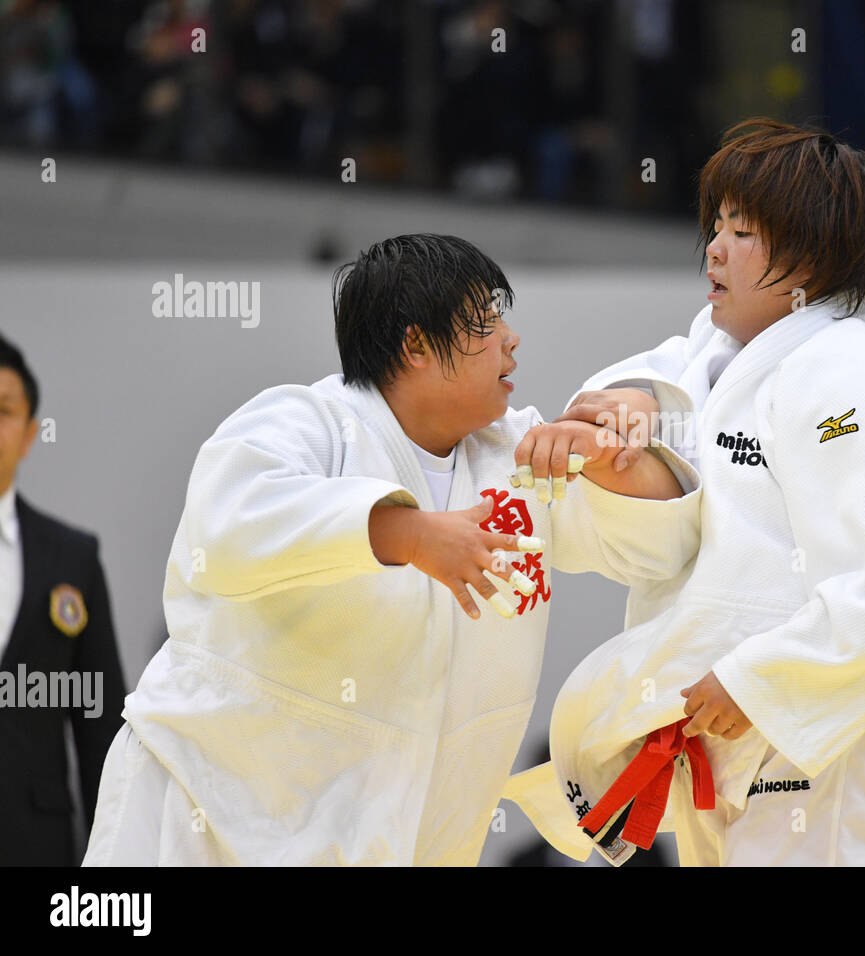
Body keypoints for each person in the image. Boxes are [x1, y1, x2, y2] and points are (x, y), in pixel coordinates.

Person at [83, 234, 701, 866]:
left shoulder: (515, 451)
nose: (511, 339)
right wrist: (406, 534)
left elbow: (658, 546)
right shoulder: (306, 422)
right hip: (204, 816)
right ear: (415, 345)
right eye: (485, 323)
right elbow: (226, 528)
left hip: (391, 840)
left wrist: (609, 460)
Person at [506, 119, 865, 866]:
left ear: (813, 257)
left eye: (743, 231)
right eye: (716, 227)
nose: (714, 250)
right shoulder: (718, 360)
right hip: (730, 751)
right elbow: (654, 413)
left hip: (841, 760)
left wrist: (758, 682)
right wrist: (628, 424)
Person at [0, 332, 126, 865]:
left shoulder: (71, 558)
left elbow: (99, 722)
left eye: (3, 410)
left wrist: (114, 855)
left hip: (34, 838)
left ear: (30, 434)